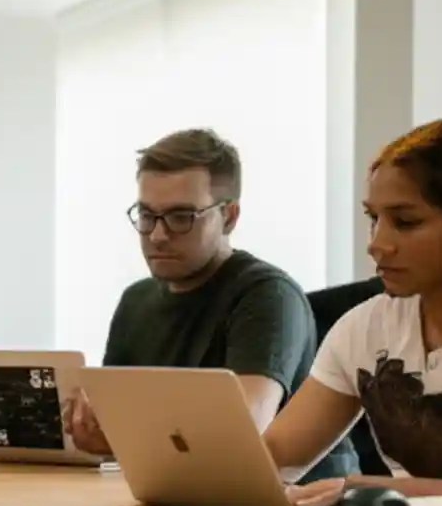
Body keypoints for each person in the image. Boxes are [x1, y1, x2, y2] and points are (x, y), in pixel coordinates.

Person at [63, 128, 357, 482]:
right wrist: (91, 424)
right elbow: (115, 423)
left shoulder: (268, 296)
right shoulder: (135, 299)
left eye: (181, 217)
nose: (157, 234)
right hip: (185, 492)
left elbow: (240, 435)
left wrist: (122, 435)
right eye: (146, 215)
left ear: (229, 217)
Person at [270, 118, 442, 506]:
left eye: (405, 222)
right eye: (373, 219)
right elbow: (276, 455)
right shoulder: (366, 327)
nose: (377, 245)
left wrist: (372, 489)